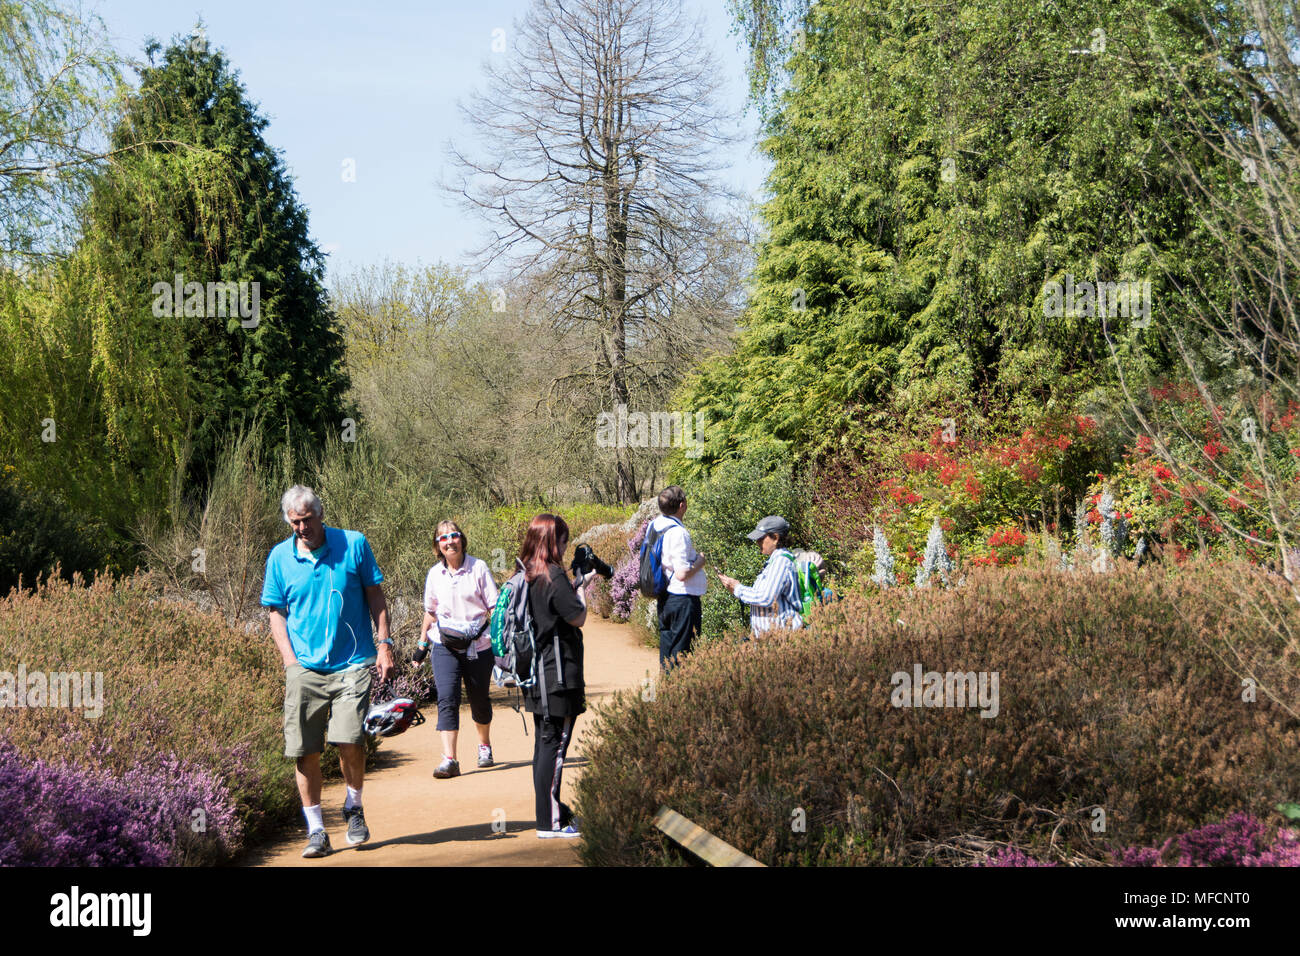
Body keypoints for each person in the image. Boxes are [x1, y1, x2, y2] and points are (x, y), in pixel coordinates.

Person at [261, 485, 394, 859]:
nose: (301, 528)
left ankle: (354, 807)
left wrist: (384, 645)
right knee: (305, 750)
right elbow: (275, 612)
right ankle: (317, 830)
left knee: (349, 738)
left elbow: (376, 595)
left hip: (353, 661)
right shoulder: (279, 557)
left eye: (306, 520)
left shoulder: (353, 544)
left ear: (320, 514)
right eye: (294, 522)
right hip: (304, 667)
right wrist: (290, 661)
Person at [519, 513, 595, 838]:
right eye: (563, 540)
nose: (565, 547)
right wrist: (583, 591)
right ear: (553, 540)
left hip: (537, 673)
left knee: (543, 745)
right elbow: (577, 617)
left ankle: (549, 815)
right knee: (555, 746)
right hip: (558, 675)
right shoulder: (552, 575)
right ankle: (550, 822)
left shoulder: (526, 574)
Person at [417, 520, 499, 778]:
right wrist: (421, 645)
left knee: (479, 699)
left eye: (453, 536)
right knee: (447, 699)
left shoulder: (479, 568)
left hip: (478, 645)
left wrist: (501, 643)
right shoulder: (434, 574)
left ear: (462, 540)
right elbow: (430, 613)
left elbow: (495, 608)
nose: (449, 541)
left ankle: (484, 745)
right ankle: (449, 759)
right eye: (443, 538)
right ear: (437, 546)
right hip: (444, 645)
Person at [715, 515, 804, 639]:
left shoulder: (781, 562)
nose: (757, 542)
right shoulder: (772, 563)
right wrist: (735, 588)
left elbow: (766, 598)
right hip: (770, 639)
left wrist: (738, 588)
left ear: (775, 538)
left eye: (761, 538)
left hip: (782, 638)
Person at [649, 485, 706, 670]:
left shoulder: (655, 526)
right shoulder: (678, 533)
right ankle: (678, 695)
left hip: (664, 598)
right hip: (683, 599)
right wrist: (700, 561)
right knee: (682, 657)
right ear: (682, 505)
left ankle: (666, 694)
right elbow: (682, 573)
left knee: (667, 655)